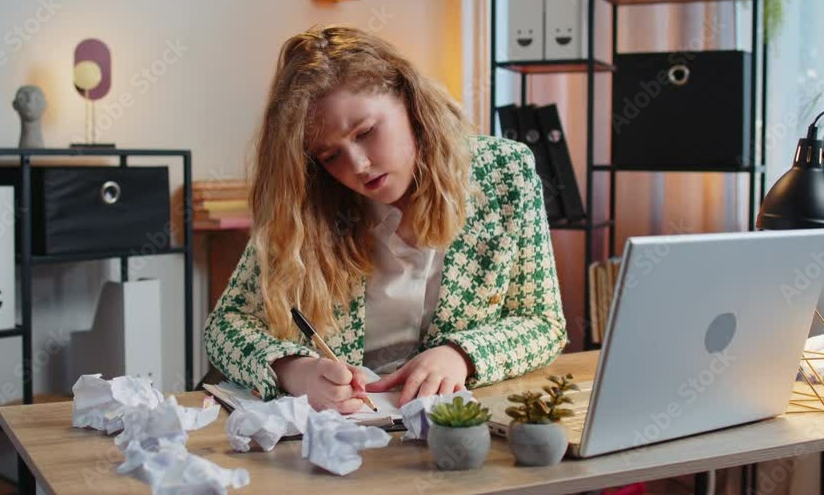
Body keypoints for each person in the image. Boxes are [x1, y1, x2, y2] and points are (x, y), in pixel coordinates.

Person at [204, 25, 567, 413]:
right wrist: (296, 371)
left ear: (408, 101)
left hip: (454, 430)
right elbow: (225, 326)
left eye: (366, 132)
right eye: (329, 156)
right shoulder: (307, 206)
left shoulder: (504, 173)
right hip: (343, 434)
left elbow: (542, 322)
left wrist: (460, 355)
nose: (357, 166)